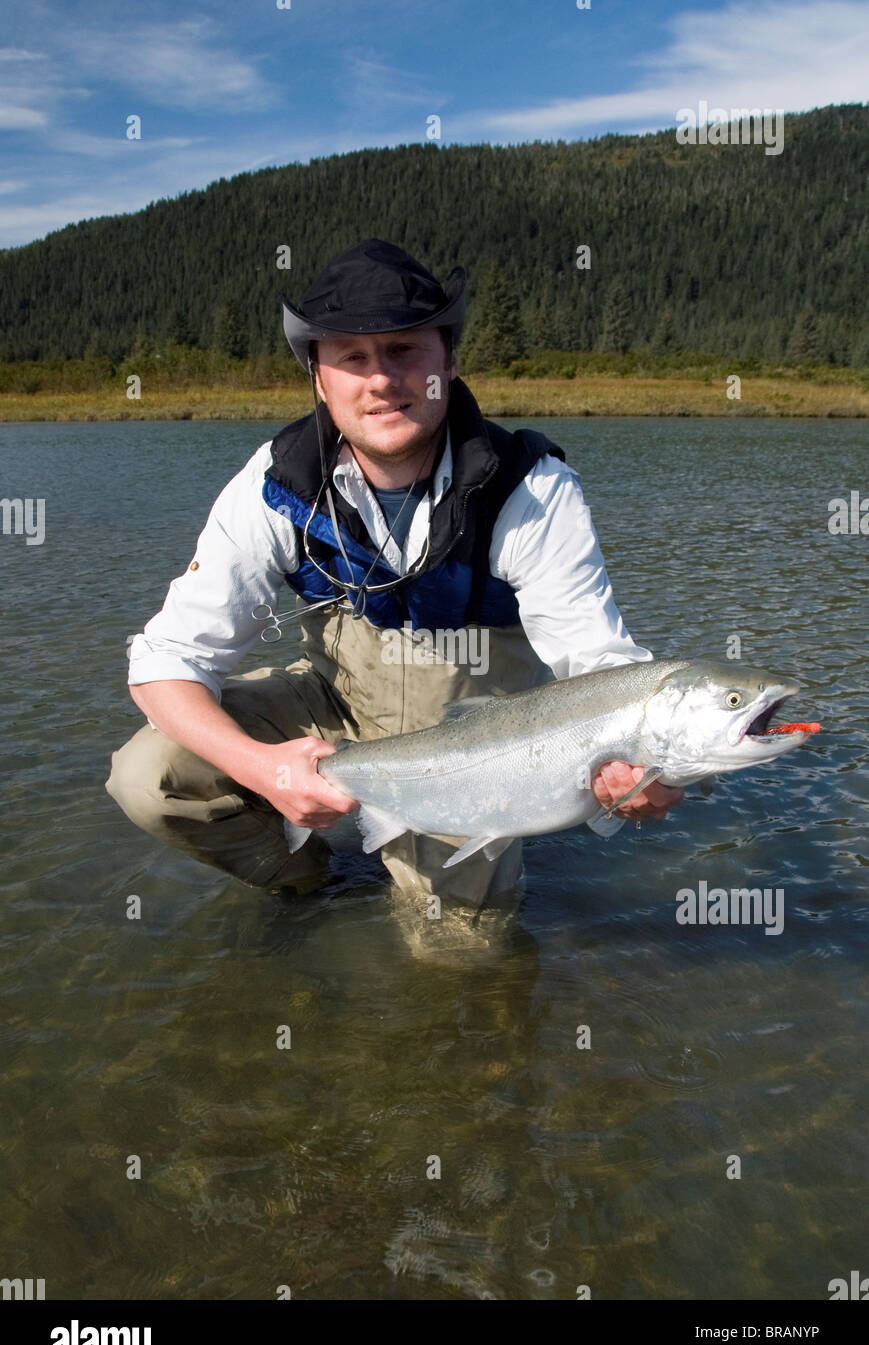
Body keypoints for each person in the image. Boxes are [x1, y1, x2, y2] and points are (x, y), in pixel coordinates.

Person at [106, 239, 682, 907]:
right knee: (152, 776)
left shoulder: (531, 488)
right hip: (336, 709)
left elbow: (598, 669)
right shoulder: (274, 484)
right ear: (319, 378)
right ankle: (313, 880)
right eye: (352, 357)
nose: (380, 379)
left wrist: (641, 764)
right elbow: (165, 661)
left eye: (403, 349)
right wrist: (262, 769)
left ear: (450, 360)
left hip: (478, 749)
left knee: (461, 959)